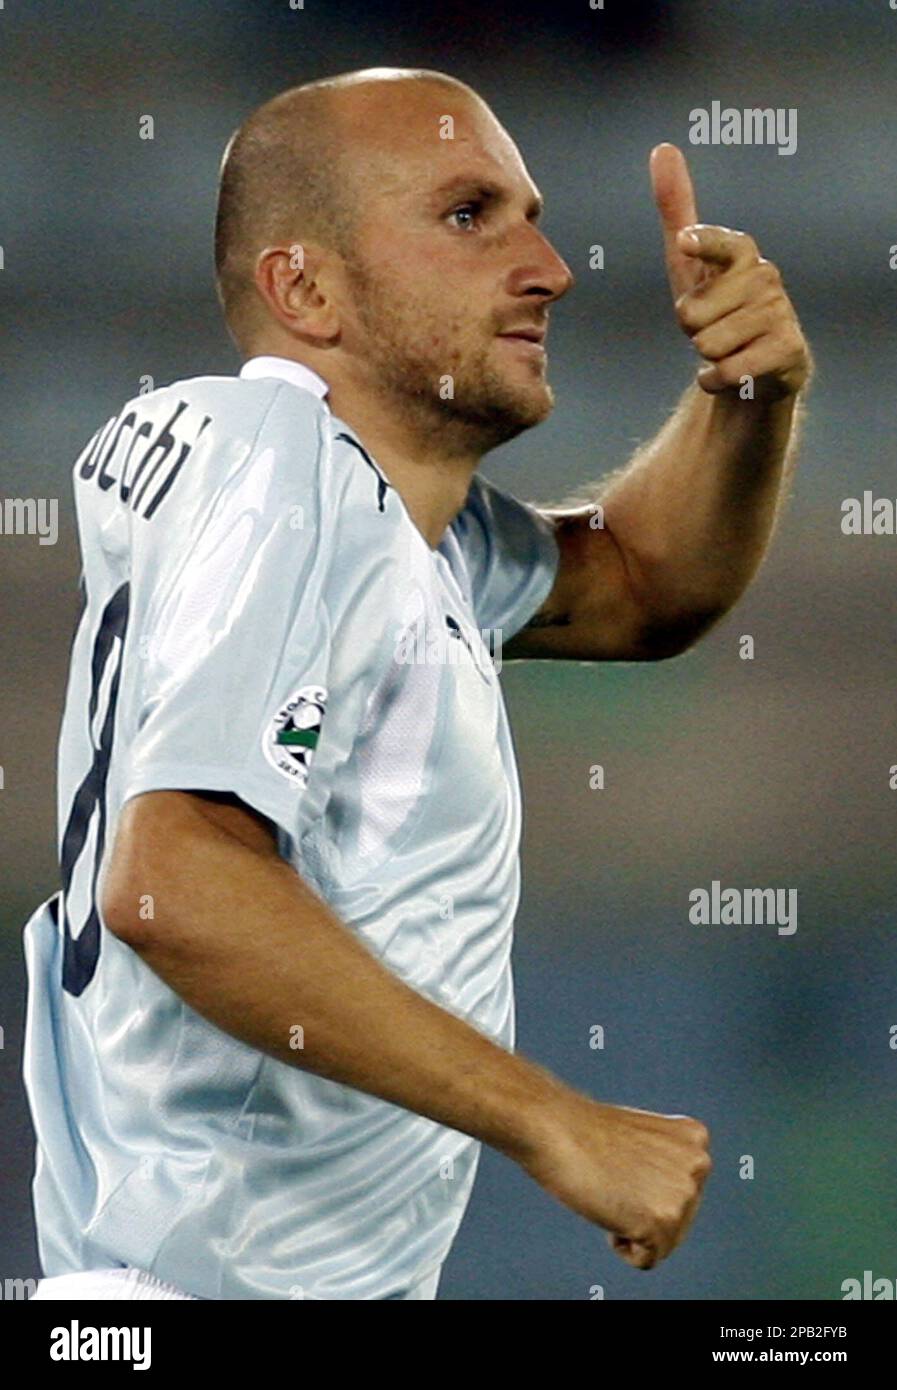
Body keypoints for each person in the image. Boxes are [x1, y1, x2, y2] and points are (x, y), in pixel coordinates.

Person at [23, 66, 811, 1301]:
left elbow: (639, 588)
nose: (548, 266)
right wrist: (554, 1119)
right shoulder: (280, 462)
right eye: (467, 215)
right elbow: (176, 880)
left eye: (532, 215)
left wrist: (747, 397)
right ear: (305, 286)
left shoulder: (379, 522)